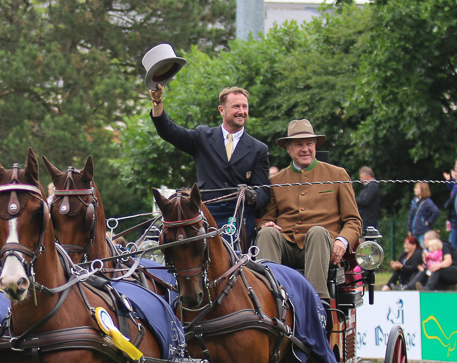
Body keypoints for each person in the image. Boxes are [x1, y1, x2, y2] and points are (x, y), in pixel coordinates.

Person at [150, 83, 271, 247]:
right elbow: (169, 131)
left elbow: (264, 191)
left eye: (245, 106)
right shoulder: (202, 137)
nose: (242, 111)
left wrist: (253, 196)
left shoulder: (259, 149)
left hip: (238, 218)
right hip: (204, 215)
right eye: (236, 106)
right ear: (222, 110)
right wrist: (157, 102)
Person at [256, 119, 361, 300]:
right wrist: (267, 224)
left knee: (318, 232)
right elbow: (266, 218)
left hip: (321, 246)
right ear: (288, 148)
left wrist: (341, 242)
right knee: (266, 234)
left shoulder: (337, 174)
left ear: (315, 146)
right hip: (286, 245)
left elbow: (353, 221)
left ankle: (317, 301)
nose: (305, 148)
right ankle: (268, 298)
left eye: (309, 143)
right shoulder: (276, 180)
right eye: (299, 144)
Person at [407, 182, 439, 246]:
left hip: (423, 231)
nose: (415, 190)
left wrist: (429, 221)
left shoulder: (427, 202)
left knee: (423, 249)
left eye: (417, 188)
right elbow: (411, 215)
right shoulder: (414, 201)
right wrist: (409, 229)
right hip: (414, 231)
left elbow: (436, 211)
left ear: (422, 189)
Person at [355, 166, 381, 232]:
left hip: (368, 220)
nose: (361, 180)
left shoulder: (373, 186)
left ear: (368, 176)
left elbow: (365, 201)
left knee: (369, 241)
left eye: (362, 177)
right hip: (365, 219)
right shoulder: (369, 187)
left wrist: (352, 198)